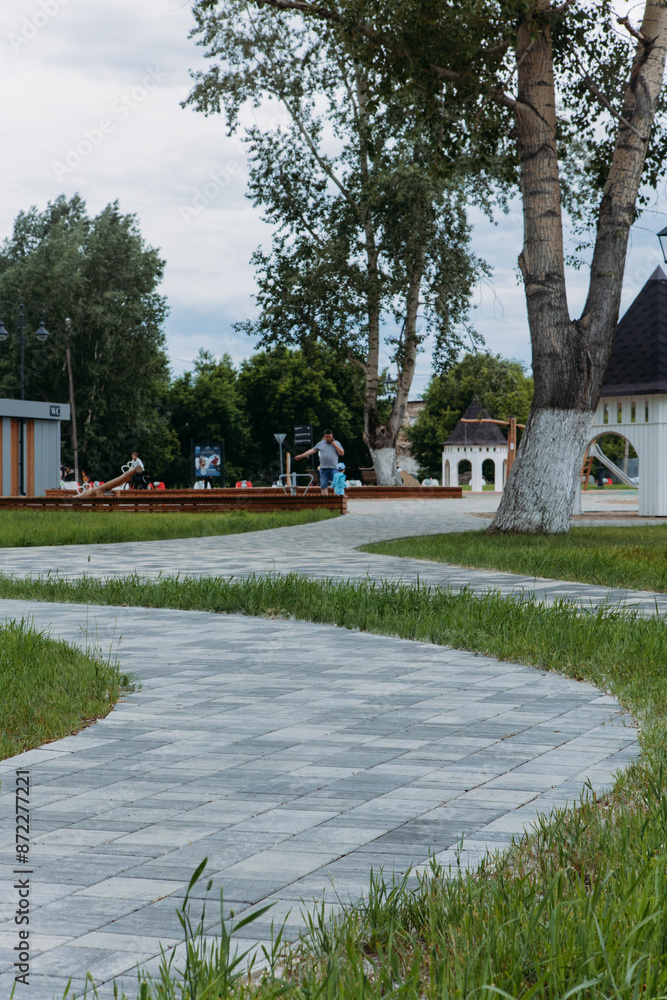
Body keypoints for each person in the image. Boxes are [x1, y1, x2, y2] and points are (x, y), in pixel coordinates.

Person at [295, 429, 344, 494]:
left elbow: (342, 453)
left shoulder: (337, 443)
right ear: (324, 436)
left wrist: (335, 445)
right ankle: (325, 499)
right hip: (323, 468)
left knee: (336, 485)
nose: (328, 438)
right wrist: (301, 456)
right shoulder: (320, 444)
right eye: (326, 437)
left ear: (332, 436)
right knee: (323, 485)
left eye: (329, 436)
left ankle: (337, 499)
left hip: (333, 468)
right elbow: (311, 451)